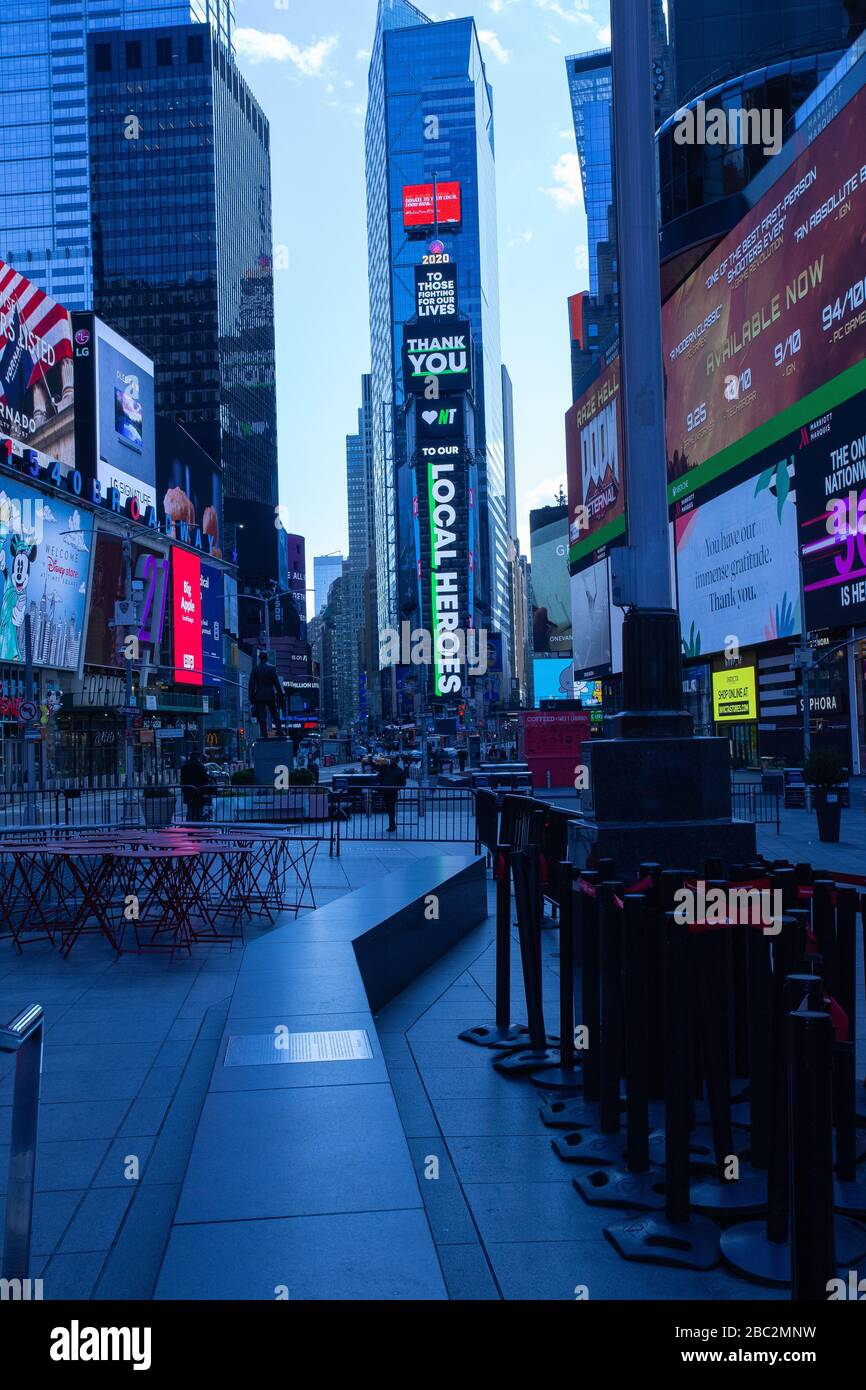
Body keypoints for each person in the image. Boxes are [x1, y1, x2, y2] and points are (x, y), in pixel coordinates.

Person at [248, 652, 286, 739]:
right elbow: (277, 684)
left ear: (259, 658)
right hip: (270, 695)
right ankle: (280, 731)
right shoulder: (271, 669)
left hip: (259, 696)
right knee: (275, 714)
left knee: (261, 716)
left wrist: (252, 699)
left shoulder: (255, 669)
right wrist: (280, 695)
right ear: (266, 658)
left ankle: (264, 733)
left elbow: (251, 686)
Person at [378, 754, 406, 833]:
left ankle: (392, 826)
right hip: (387, 791)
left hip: (391, 792)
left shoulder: (398, 771)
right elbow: (378, 770)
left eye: (393, 759)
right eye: (391, 759)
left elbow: (403, 783)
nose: (392, 761)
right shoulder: (388, 768)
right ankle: (392, 825)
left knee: (391, 809)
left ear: (396, 761)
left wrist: (396, 787)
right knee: (390, 808)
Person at [180, 750, 209, 822]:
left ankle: (189, 823)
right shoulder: (200, 766)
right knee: (198, 809)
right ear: (198, 757)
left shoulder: (185, 766)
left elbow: (182, 779)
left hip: (188, 791)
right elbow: (205, 779)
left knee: (190, 808)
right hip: (199, 791)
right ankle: (198, 824)